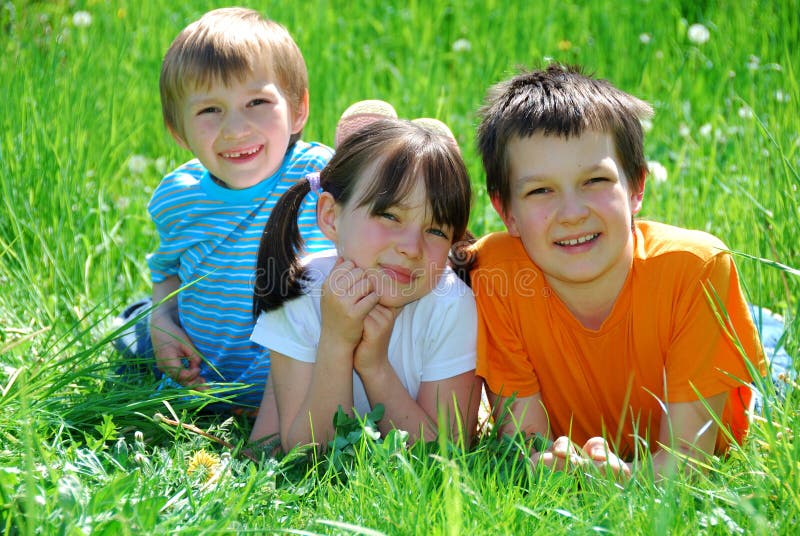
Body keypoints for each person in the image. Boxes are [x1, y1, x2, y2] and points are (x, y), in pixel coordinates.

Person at [471, 64, 765, 478]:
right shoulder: (495, 274)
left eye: (594, 180)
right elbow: (526, 451)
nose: (572, 213)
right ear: (506, 212)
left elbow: (689, 463)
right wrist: (552, 468)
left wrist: (618, 480)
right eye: (540, 190)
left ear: (636, 188)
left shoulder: (695, 269)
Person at [114, 7, 334, 410]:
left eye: (256, 101)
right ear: (177, 129)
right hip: (201, 375)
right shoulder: (178, 197)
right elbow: (167, 272)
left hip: (293, 382)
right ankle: (138, 321)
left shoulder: (318, 175)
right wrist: (162, 321)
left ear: (297, 109)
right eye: (210, 110)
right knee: (134, 339)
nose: (236, 129)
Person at [249, 118, 482, 450]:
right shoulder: (299, 291)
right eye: (390, 216)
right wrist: (336, 343)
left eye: (436, 230)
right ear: (331, 216)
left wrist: (375, 366)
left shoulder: (452, 306)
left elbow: (445, 455)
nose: (411, 248)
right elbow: (304, 455)